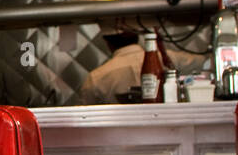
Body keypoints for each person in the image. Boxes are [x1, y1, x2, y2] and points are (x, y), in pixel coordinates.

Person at [75, 30, 209, 104]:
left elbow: (84, 113)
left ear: (108, 43)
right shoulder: (167, 57)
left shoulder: (96, 77)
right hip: (167, 130)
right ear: (137, 37)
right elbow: (205, 62)